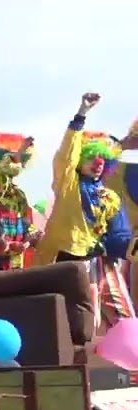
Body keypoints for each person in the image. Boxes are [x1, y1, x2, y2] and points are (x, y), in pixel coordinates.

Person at [35, 92, 135, 331]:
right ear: (80, 159)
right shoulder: (67, 184)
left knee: (111, 314)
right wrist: (81, 116)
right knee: (62, 321)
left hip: (94, 263)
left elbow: (120, 236)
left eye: (103, 160)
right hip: (60, 260)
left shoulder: (109, 197)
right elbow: (65, 156)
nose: (98, 163)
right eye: (92, 157)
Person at [0, 133, 41, 270]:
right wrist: (16, 155)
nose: (18, 165)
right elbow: (0, 172)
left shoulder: (19, 194)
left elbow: (24, 222)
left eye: (20, 161)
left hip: (15, 261)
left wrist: (33, 236)